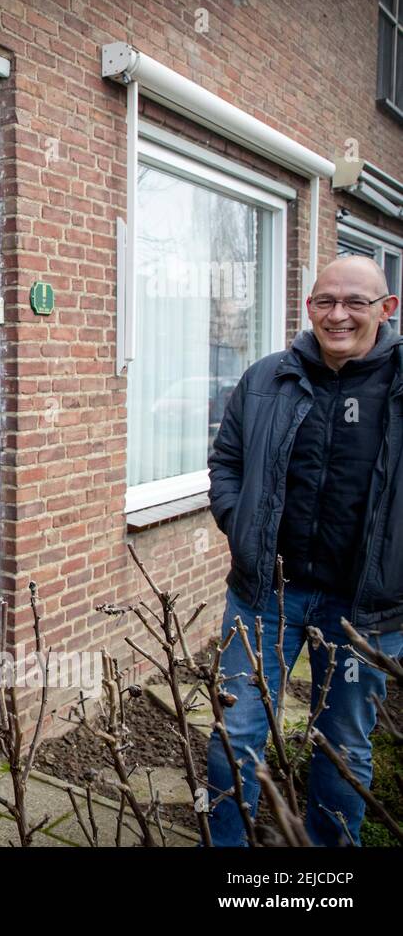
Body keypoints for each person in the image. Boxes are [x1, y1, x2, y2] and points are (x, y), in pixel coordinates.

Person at [206, 255, 403, 846]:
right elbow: (227, 462)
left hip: (365, 612)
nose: (337, 315)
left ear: (386, 309)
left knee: (343, 747)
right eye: (325, 301)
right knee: (233, 734)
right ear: (309, 305)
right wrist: (238, 524)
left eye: (355, 303)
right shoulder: (268, 378)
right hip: (265, 596)